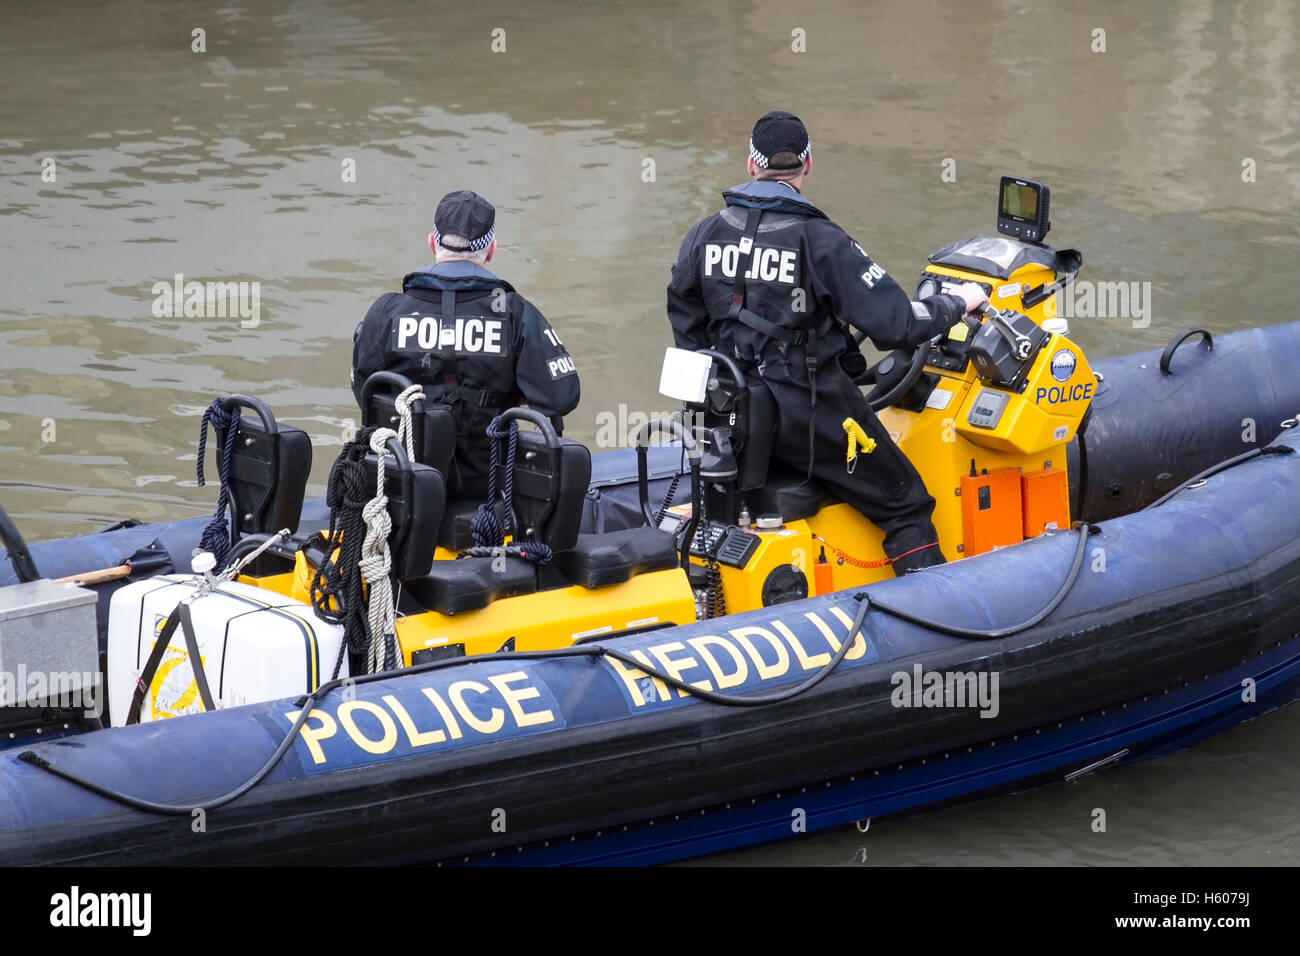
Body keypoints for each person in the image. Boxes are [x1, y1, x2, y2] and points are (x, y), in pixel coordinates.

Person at [666, 111, 987, 573]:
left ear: (751, 165)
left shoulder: (704, 233)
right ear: (808, 164)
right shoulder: (820, 239)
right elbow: (897, 324)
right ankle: (932, 603)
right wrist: (957, 304)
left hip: (732, 418)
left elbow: (684, 316)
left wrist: (725, 386)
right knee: (906, 502)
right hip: (809, 416)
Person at [352, 190, 580, 493]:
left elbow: (366, 392)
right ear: (491, 250)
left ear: (432, 243)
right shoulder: (514, 312)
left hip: (401, 485)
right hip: (489, 486)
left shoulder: (385, 311)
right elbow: (562, 396)